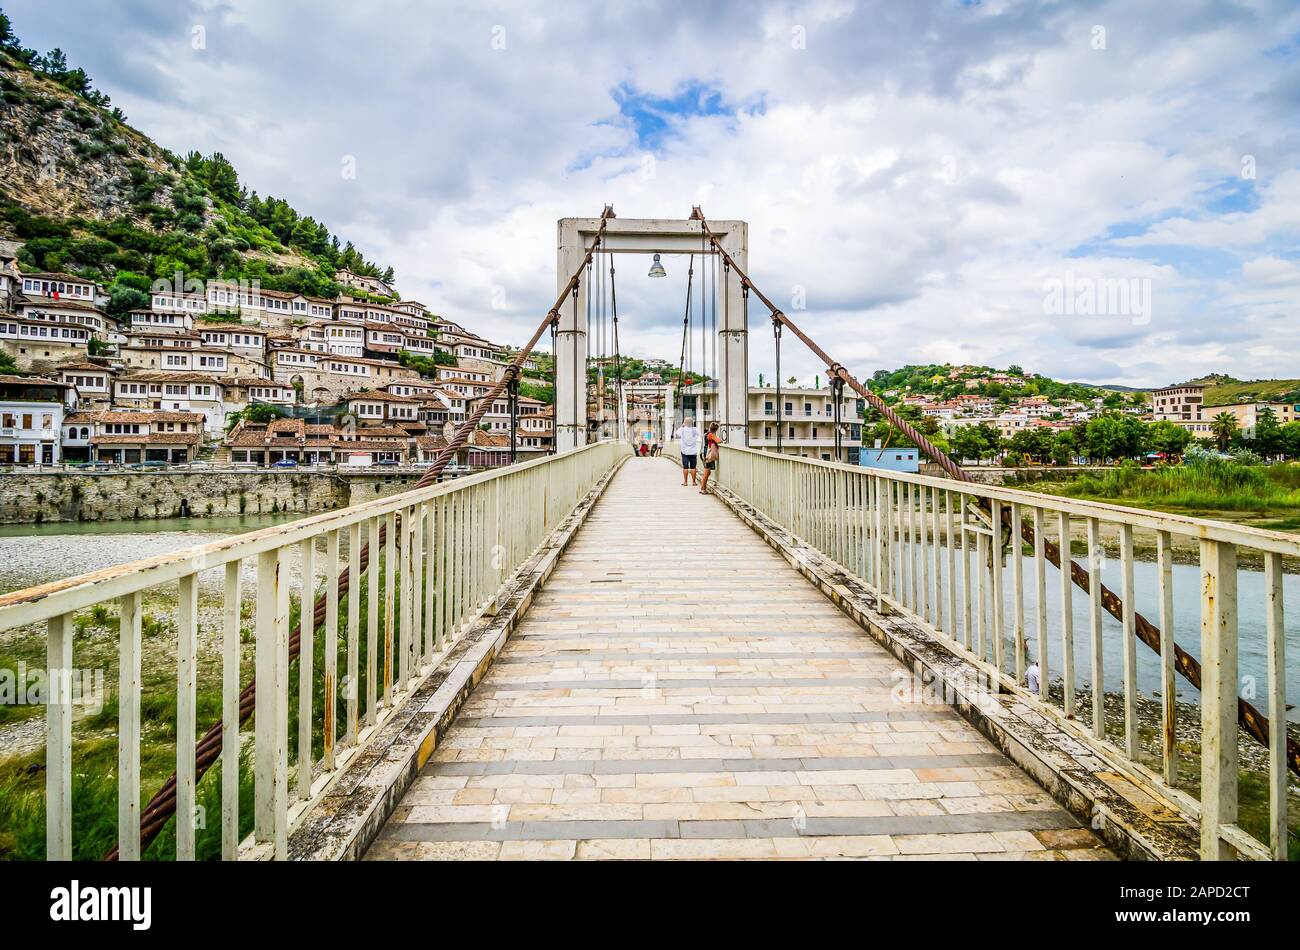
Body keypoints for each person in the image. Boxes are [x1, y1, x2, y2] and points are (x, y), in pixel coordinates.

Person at [674, 417, 700, 486]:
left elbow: (677, 433)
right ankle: (694, 482)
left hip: (684, 451)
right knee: (693, 467)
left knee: (685, 467)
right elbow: (698, 435)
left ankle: (685, 482)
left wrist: (683, 425)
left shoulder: (682, 430)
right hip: (693, 451)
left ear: (685, 423)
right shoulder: (695, 430)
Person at [699, 422, 721, 495]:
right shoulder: (711, 435)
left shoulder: (705, 434)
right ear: (716, 429)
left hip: (703, 454)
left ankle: (702, 488)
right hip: (707, 455)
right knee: (706, 472)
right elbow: (719, 441)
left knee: (707, 472)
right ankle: (702, 489)